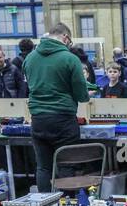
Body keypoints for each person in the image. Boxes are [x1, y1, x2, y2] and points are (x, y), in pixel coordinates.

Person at [23, 22, 90, 192]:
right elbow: (82, 95)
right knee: (67, 166)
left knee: (43, 167)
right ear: (65, 38)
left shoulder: (29, 58)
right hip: (63, 120)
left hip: (38, 120)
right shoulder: (70, 59)